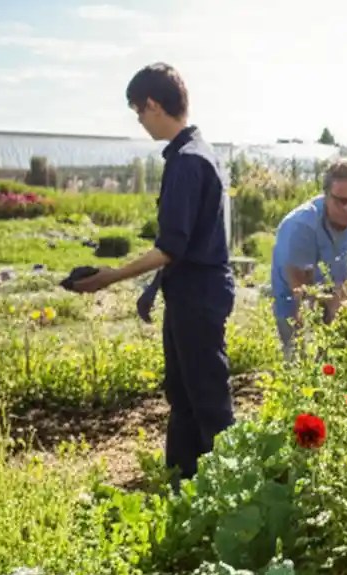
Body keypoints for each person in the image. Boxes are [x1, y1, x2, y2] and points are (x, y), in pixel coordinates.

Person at [73, 62, 236, 490]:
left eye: (138, 112)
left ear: (153, 104)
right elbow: (187, 242)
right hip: (192, 289)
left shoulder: (186, 161)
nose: (140, 121)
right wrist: (154, 287)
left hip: (198, 293)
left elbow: (172, 246)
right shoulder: (199, 151)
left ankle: (231, 492)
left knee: (206, 400)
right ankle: (184, 487)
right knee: (183, 396)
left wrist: (108, 277)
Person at [270, 157, 347, 360]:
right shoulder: (302, 225)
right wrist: (335, 308)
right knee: (302, 367)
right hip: (294, 306)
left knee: (343, 366)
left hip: (334, 302)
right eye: (341, 201)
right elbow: (301, 289)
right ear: (326, 195)